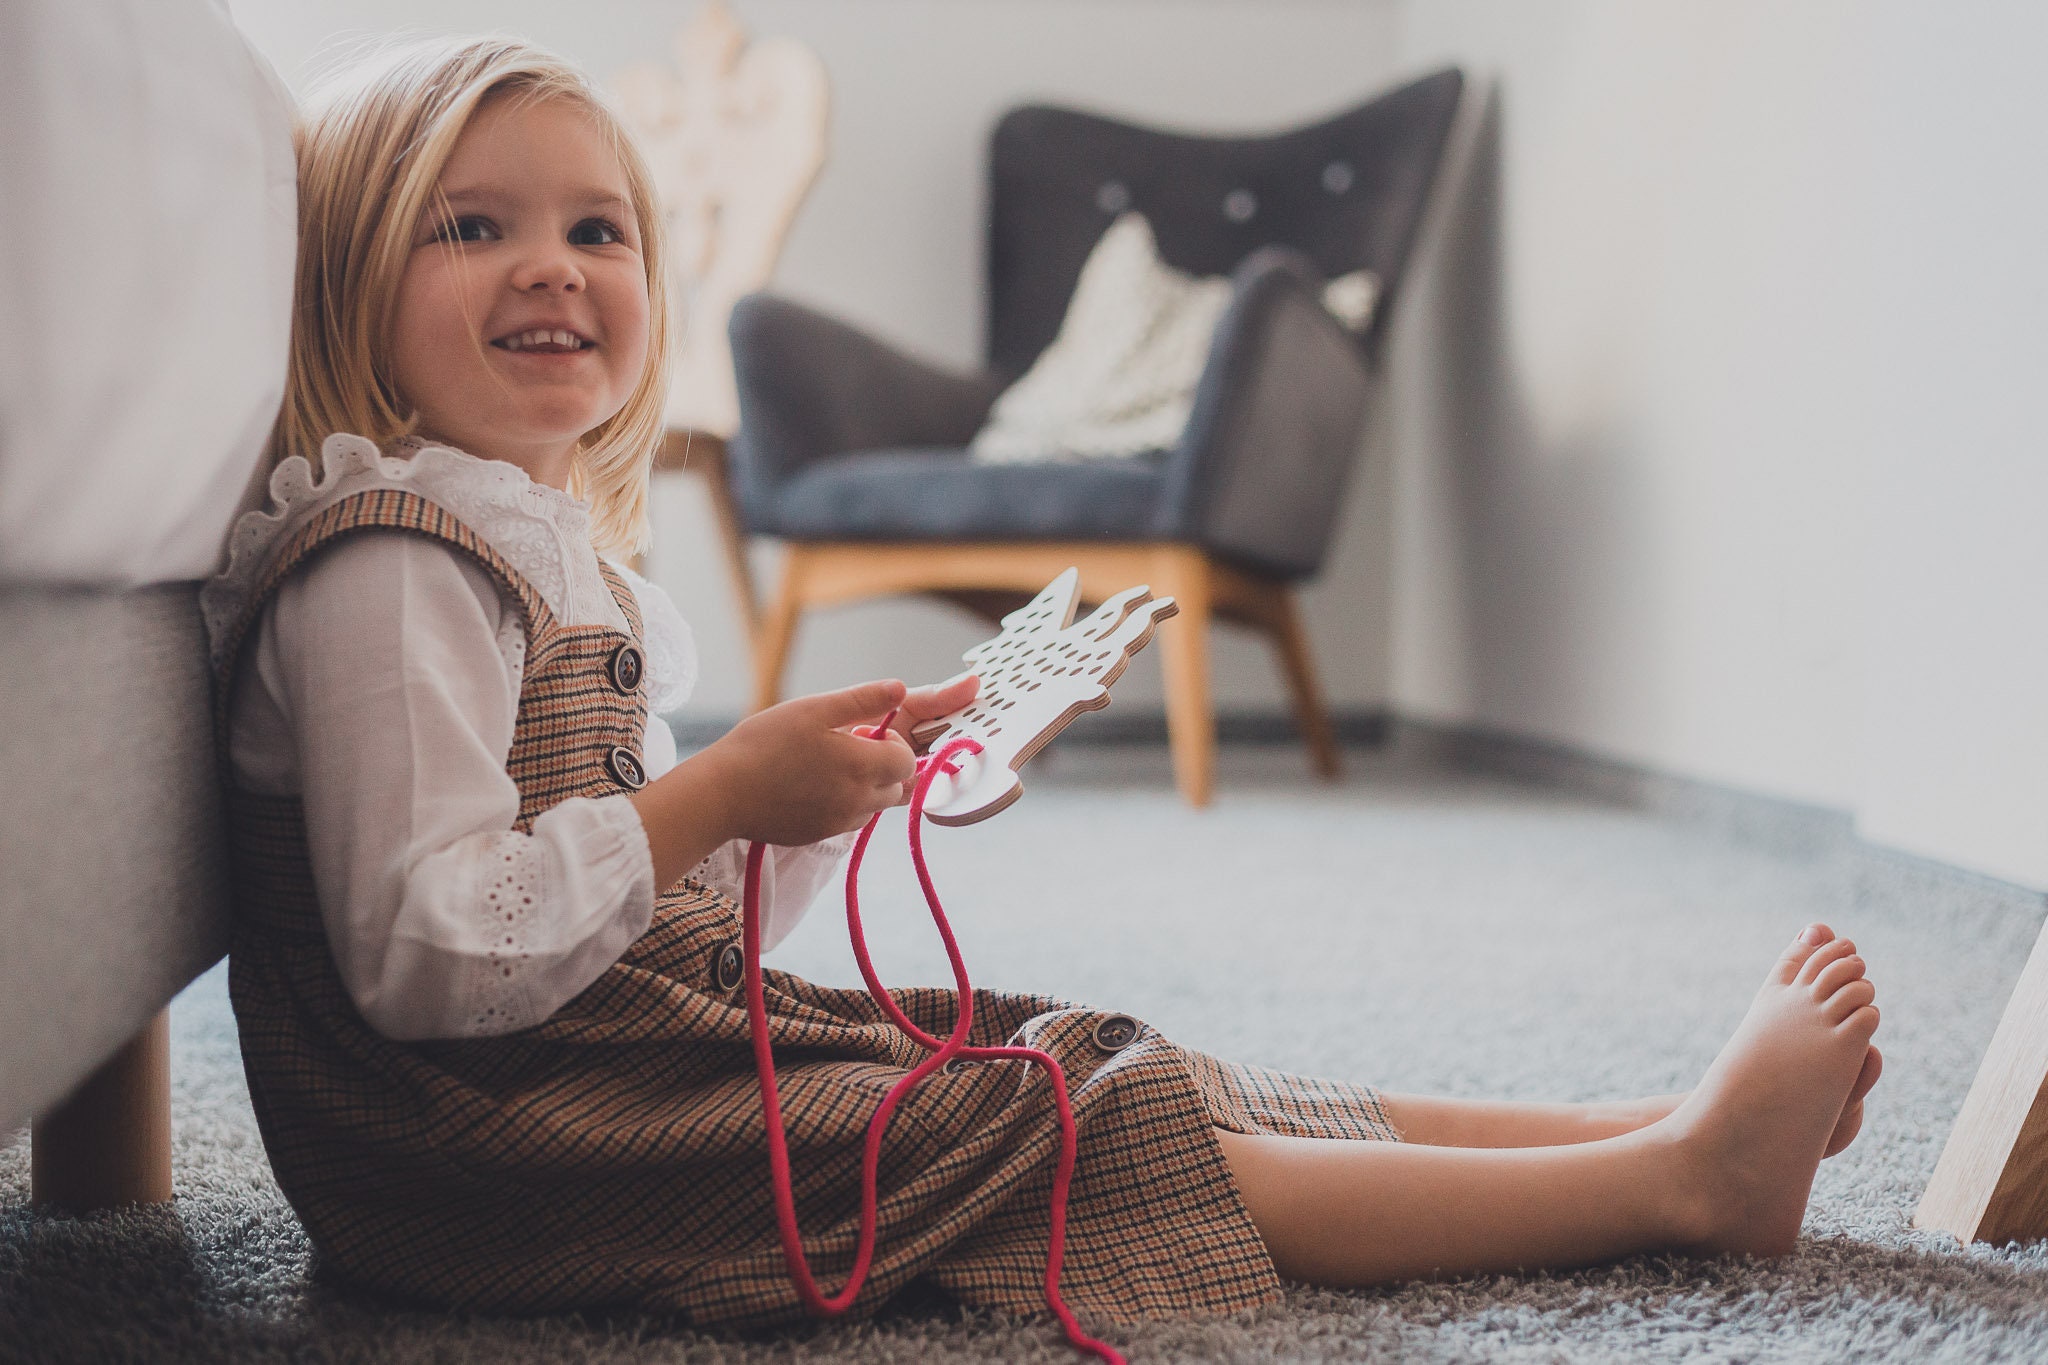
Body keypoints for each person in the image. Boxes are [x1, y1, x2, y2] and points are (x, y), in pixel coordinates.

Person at [204, 32, 1883, 1348]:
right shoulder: (389, 567)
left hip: (584, 1074)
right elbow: (436, 955)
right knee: (1077, 1131)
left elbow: (641, 928)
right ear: (349, 278)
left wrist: (842, 794)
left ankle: (1630, 1120)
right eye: (473, 225)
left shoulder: (532, 554)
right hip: (479, 1159)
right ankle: (1684, 1178)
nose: (556, 265)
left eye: (597, 226)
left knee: (1081, 1051)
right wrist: (719, 791)